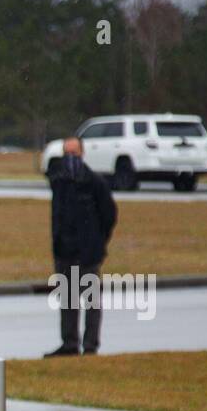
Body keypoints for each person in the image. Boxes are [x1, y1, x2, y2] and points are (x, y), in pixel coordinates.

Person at [45, 136, 117, 357]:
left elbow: (109, 215)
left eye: (74, 154)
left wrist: (98, 242)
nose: (70, 159)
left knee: (91, 300)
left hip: (88, 252)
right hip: (64, 250)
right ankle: (69, 344)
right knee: (67, 300)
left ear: (82, 154)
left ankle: (91, 345)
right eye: (66, 154)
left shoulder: (95, 182)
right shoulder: (60, 183)